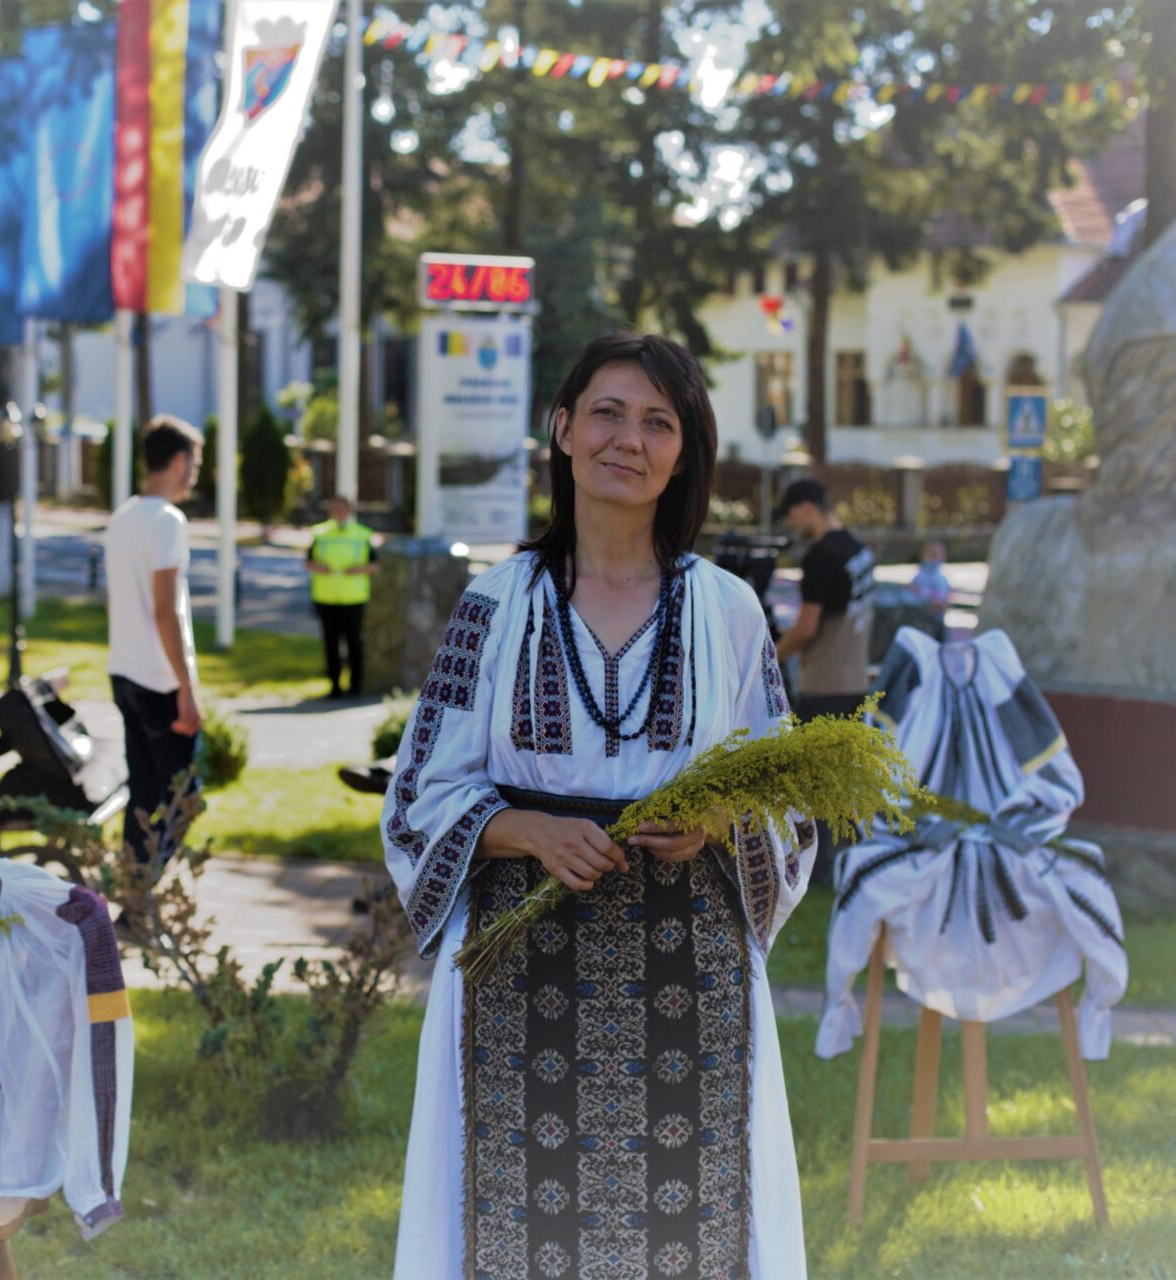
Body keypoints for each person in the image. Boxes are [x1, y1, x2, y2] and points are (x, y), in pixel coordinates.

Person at [386, 332, 811, 1280]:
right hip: (517, 973)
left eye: (658, 422)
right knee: (518, 1225)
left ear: (684, 453)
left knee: (688, 1225)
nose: (629, 439)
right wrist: (526, 829)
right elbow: (418, 792)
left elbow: (787, 797)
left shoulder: (730, 612)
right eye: (608, 413)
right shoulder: (495, 604)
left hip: (689, 974)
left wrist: (720, 822)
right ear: (563, 428)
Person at [104, 415, 204, 875]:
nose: (194, 474)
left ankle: (132, 888)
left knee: (143, 795)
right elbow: (166, 612)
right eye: (195, 464)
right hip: (159, 681)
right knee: (182, 799)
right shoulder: (167, 521)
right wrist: (187, 687)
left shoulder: (122, 517)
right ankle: (144, 890)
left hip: (124, 671)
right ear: (179, 461)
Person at [771, 477, 875, 885]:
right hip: (856, 682)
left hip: (824, 686)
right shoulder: (859, 551)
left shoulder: (820, 557)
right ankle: (847, 862)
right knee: (843, 784)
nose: (791, 524)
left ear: (807, 508)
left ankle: (818, 871)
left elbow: (807, 629)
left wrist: (768, 657)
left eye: (791, 515)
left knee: (815, 788)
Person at [306, 494, 377, 698]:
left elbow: (374, 565)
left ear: (349, 511)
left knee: (354, 643)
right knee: (331, 644)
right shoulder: (320, 533)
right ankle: (334, 687)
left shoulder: (361, 534)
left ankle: (355, 687)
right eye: (334, 508)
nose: (337, 512)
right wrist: (319, 568)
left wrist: (358, 570)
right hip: (326, 597)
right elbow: (308, 562)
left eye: (341, 508)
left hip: (353, 598)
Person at [909, 540, 952, 613]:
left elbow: (947, 598)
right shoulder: (919, 578)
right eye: (932, 554)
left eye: (937, 554)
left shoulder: (942, 579)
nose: (934, 557)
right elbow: (913, 593)